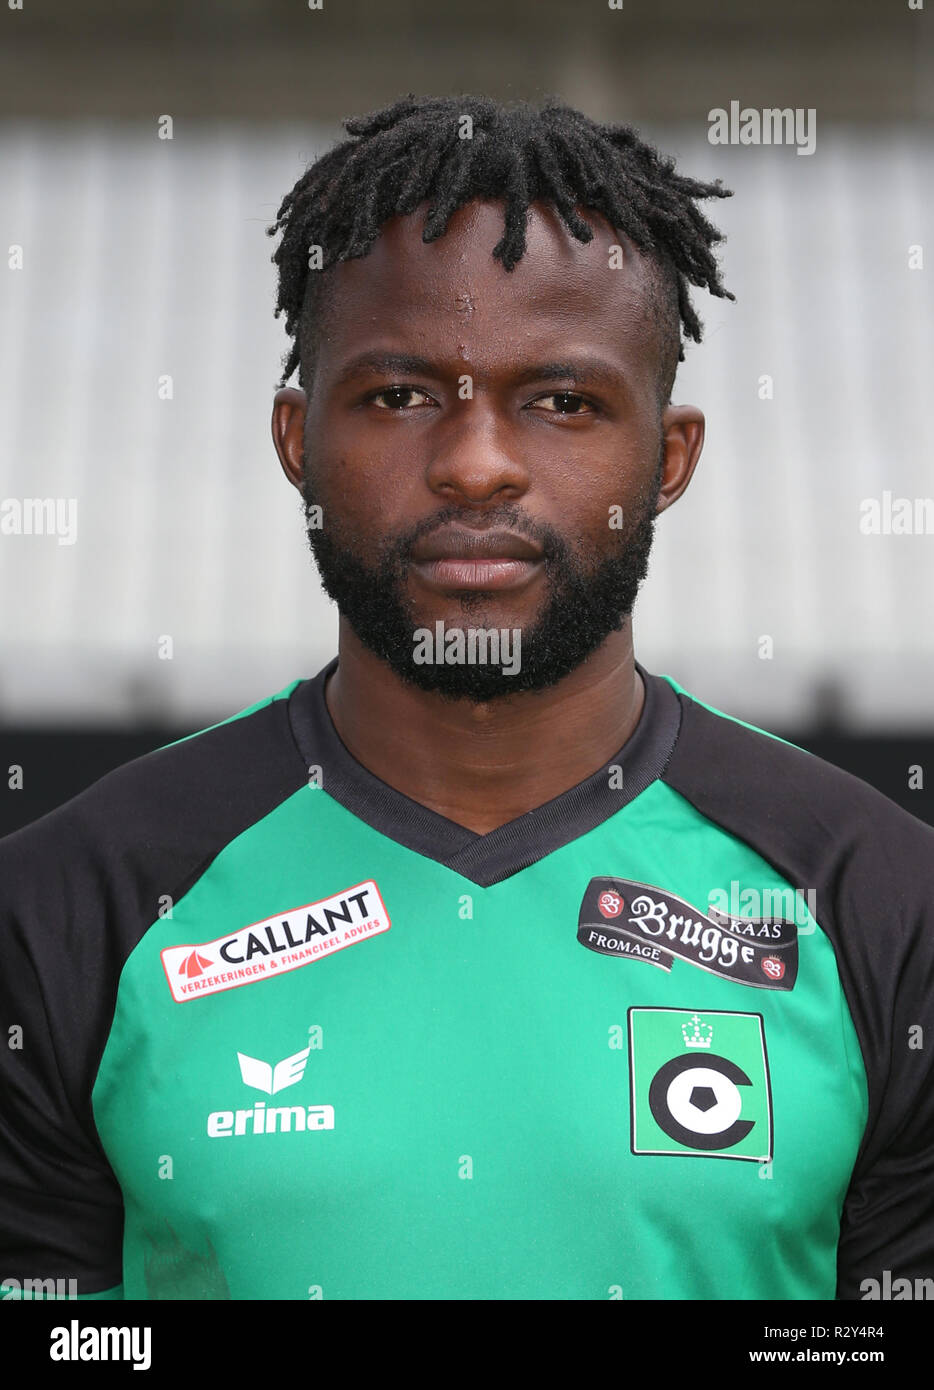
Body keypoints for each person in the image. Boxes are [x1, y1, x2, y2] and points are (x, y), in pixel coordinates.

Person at [1, 92, 931, 1302]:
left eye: (562, 401)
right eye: (399, 396)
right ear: (297, 440)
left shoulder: (881, 903)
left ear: (670, 458)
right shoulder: (72, 906)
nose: (476, 462)